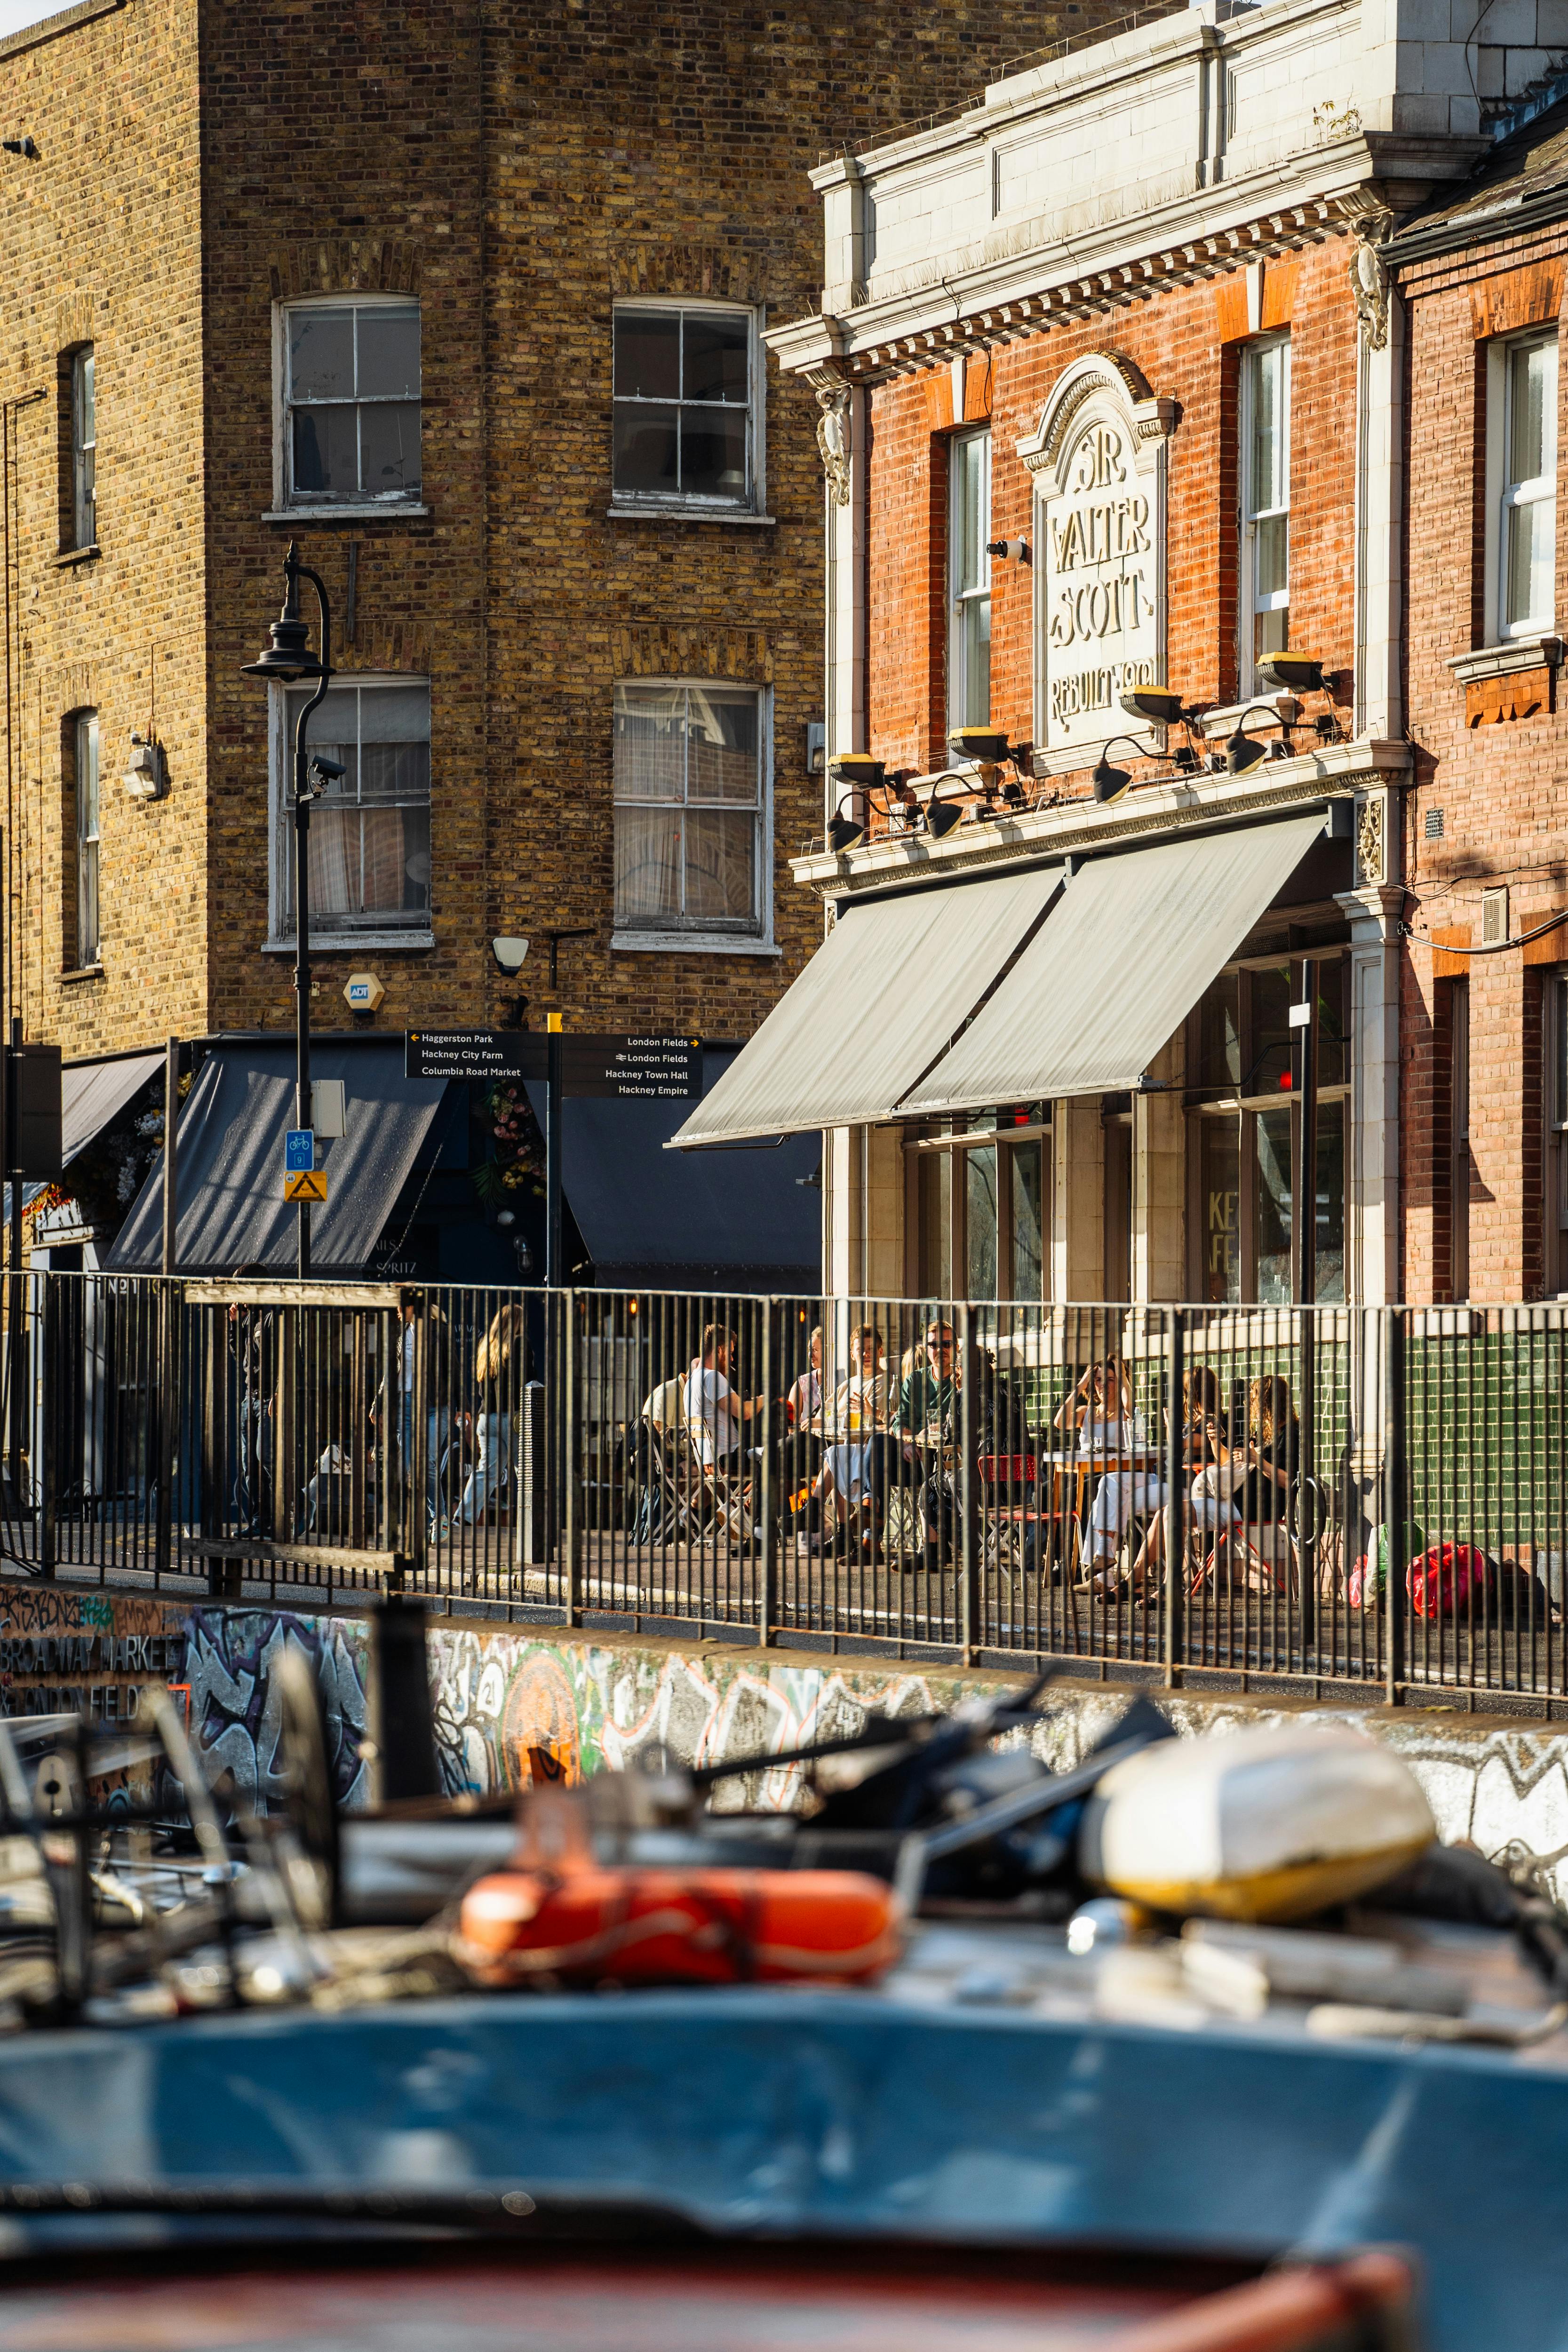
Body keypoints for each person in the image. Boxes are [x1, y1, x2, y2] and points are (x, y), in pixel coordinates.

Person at [1126, 1366, 1240, 1594]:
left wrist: (1170, 1423)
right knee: (1154, 1511)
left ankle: (1161, 1580)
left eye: (1185, 1392)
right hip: (1186, 1486)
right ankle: (1137, 1577)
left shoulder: (1212, 1422)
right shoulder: (1197, 1422)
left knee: (1130, 1503)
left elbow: (1180, 1445)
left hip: (1194, 1488)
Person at [1057, 1355, 1160, 1592]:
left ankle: (1093, 1570)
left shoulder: (1127, 1414)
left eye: (1111, 1380)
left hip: (1122, 1478)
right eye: (1099, 1380)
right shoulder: (1086, 1412)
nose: (1104, 1385)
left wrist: (1122, 1375)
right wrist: (1081, 1384)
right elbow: (1060, 1422)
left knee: (1088, 1492)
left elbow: (1131, 1407)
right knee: (1047, 1494)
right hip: (1088, 1475)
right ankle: (1067, 1561)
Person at [812, 1325, 889, 1556]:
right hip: (847, 1447)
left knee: (836, 1456)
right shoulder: (847, 1385)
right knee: (836, 1455)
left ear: (880, 1351)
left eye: (870, 1349)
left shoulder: (884, 1382)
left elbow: (879, 1422)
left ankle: (820, 1515)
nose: (865, 1354)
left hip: (872, 1454)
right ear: (852, 1354)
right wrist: (810, 1422)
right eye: (860, 1349)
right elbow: (824, 1416)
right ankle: (841, 1533)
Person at [457, 1303, 527, 1527]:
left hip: (487, 1419)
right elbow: (529, 1382)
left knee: (486, 1472)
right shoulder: (520, 1344)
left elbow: (481, 1389)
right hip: (513, 1419)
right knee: (526, 1472)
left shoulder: (487, 1347)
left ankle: (463, 1516)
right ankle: (531, 1522)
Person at [684, 1324, 764, 1484]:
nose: (732, 1359)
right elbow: (744, 1412)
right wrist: (764, 1399)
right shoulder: (711, 1377)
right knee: (783, 1453)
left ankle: (745, 1497)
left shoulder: (690, 1383)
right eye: (731, 1353)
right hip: (729, 1459)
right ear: (719, 1350)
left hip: (707, 1462)